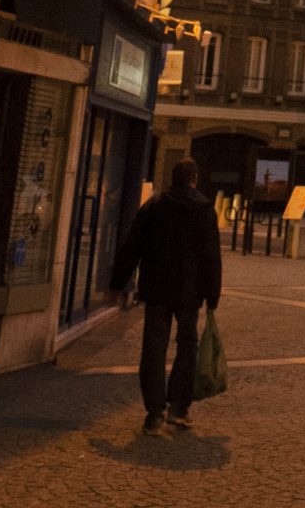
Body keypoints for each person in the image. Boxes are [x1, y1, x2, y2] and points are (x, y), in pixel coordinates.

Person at [110, 158, 222, 433]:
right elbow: (212, 257)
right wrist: (212, 295)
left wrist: (117, 282)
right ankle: (179, 409)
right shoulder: (205, 208)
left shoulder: (155, 205)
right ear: (194, 179)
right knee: (187, 345)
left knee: (154, 348)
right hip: (189, 292)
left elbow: (132, 245)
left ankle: (154, 413)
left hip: (157, 288)